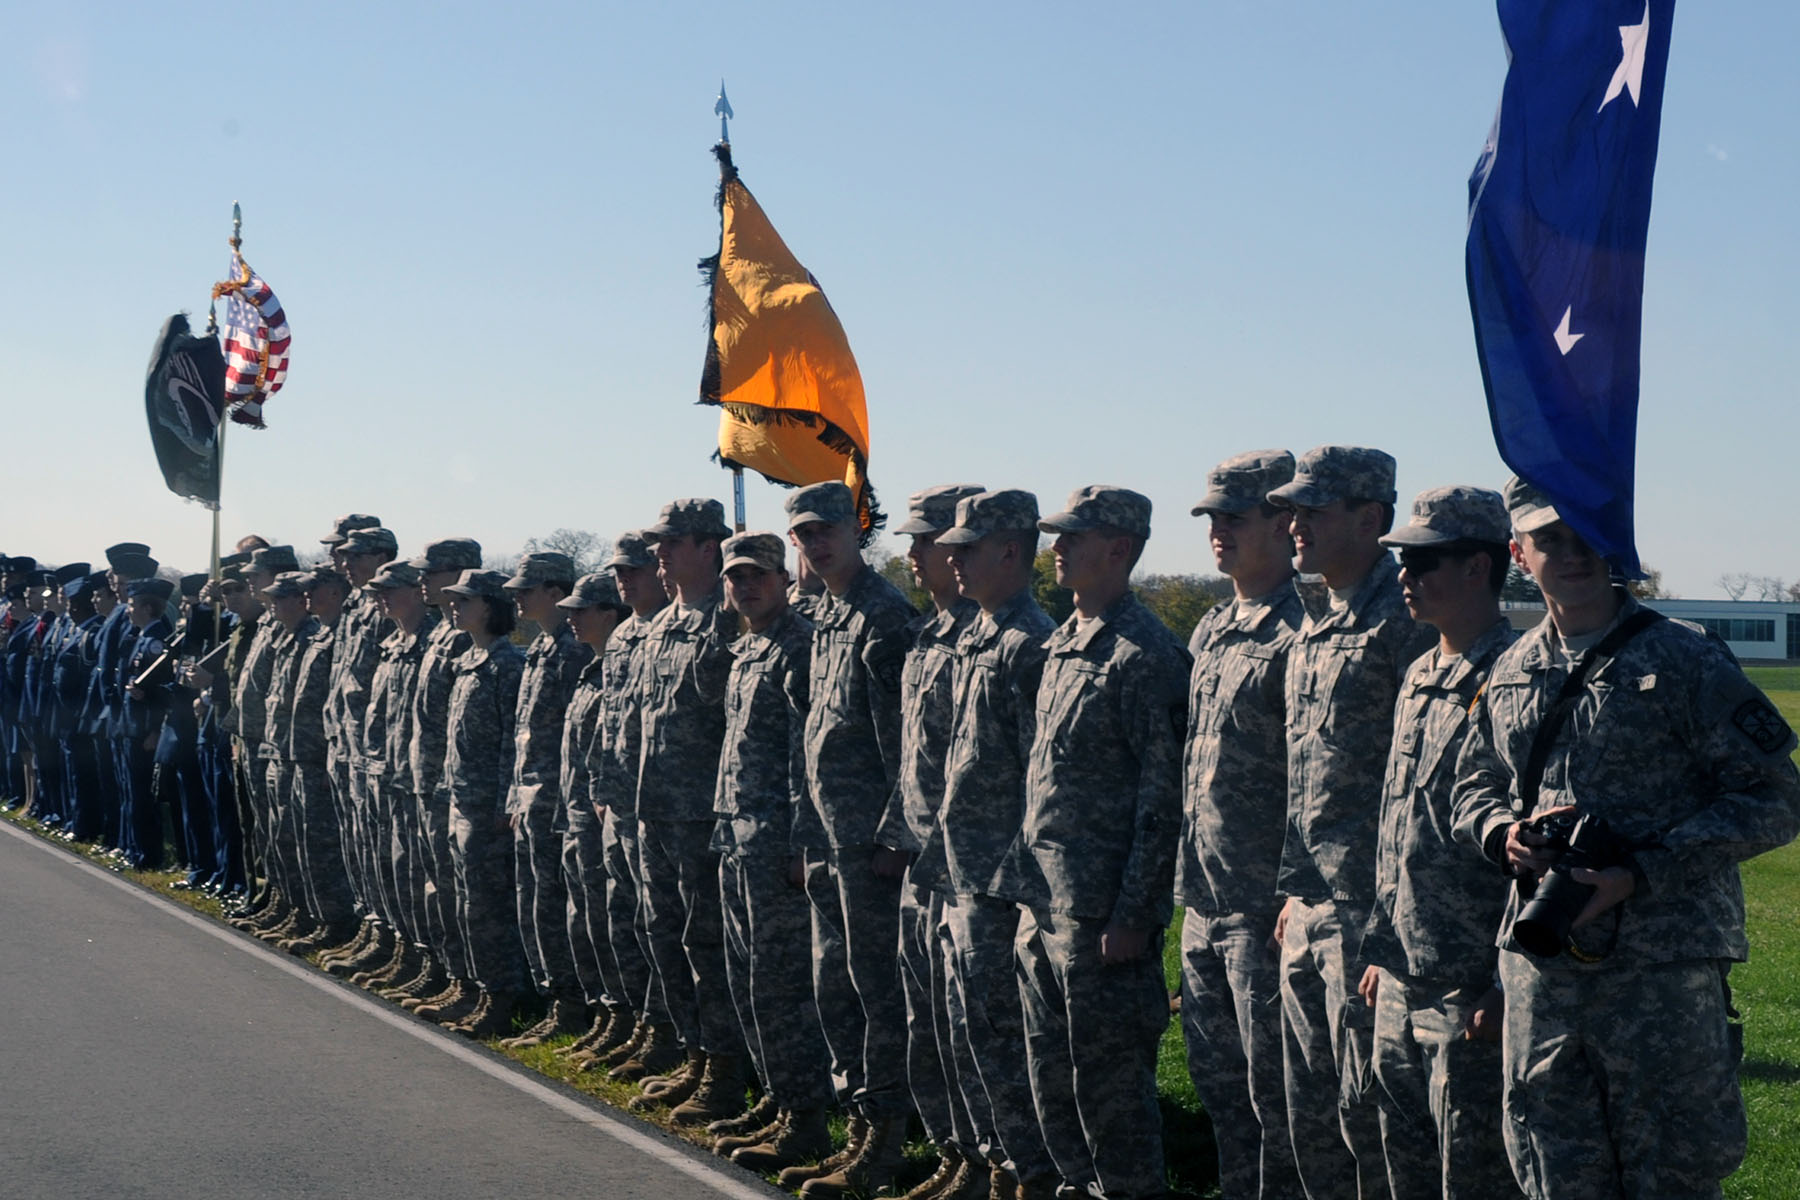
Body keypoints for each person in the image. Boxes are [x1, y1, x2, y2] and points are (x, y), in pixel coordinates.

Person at [1452, 478, 1800, 1199]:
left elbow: (1775, 795)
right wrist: (1505, 836)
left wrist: (1641, 871)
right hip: (1541, 971)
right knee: (1553, 1168)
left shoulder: (1682, 659)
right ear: (1519, 553)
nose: (1570, 556)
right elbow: (1470, 787)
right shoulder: (1510, 667)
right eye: (1550, 540)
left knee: (1672, 1172)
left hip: (1659, 971)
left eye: (1586, 539)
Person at [989, 485, 1190, 1200]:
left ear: (1120, 549)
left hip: (1101, 916)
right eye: (1056, 535)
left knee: (1111, 1101)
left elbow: (1163, 800)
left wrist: (1135, 912)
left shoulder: (1148, 656)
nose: (1058, 549)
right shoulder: (1063, 644)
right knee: (1053, 1083)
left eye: (1074, 537)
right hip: (1042, 902)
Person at [1268, 446, 1433, 1200]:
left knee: (1372, 1122)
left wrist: (1389, 929)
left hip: (1370, 922)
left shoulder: (1406, 626)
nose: (1292, 524)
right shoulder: (1315, 623)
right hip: (1308, 908)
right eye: (1291, 509)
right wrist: (1292, 895)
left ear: (1370, 519)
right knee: (1310, 1114)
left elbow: (1422, 794)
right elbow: (1307, 778)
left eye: (1312, 510)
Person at [1355, 487, 1520, 1200]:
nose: (1404, 578)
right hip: (1401, 973)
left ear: (1479, 567)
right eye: (1402, 561)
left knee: (1473, 1177)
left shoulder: (1517, 679)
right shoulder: (1420, 675)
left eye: (1423, 563)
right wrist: (1379, 945)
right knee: (1404, 1170)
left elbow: (1538, 848)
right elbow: (1398, 825)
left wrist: (1507, 983)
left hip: (1469, 986)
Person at [1176, 450, 1306, 1200]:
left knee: (1280, 1101)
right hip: (1204, 900)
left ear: (1285, 522)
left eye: (1237, 516)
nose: (1219, 531)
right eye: (1213, 517)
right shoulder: (1213, 628)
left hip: (1268, 908)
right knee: (1222, 1089)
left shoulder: (1305, 631)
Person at [783, 480, 918, 1199]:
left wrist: (894, 840)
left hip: (870, 852)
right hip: (830, 845)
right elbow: (815, 740)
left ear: (857, 528)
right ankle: (859, 1128)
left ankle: (885, 1144)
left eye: (828, 527)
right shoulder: (828, 616)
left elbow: (905, 747)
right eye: (803, 532)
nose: (816, 540)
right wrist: (808, 839)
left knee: (877, 996)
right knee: (837, 991)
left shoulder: (885, 618)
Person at [932, 488, 1060, 1199]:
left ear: (1010, 552)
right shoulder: (976, 636)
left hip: (1004, 885)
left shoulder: (1030, 643)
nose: (953, 562)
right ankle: (994, 1168)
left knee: (1009, 1046)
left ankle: (1029, 1177)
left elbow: (1039, 779)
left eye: (967, 549)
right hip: (962, 874)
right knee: (971, 1037)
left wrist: (1016, 886)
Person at [872, 483, 987, 1200]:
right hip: (921, 861)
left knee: (979, 1032)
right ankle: (955, 1152)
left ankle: (987, 1163)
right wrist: (894, 836)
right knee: (930, 1023)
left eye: (927, 542)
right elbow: (910, 758)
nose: (914, 555)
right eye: (912, 542)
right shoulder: (926, 637)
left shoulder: (1002, 639)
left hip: (973, 871)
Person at [709, 532, 835, 1171]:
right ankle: (780, 1099)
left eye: (757, 575)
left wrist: (799, 843)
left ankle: (807, 1119)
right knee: (750, 982)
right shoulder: (746, 648)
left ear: (785, 578)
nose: (745, 586)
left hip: (776, 844)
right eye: (734, 577)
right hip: (736, 836)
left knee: (783, 985)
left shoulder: (798, 649)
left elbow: (805, 758)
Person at [631, 498, 747, 1126]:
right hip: (655, 807)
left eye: (672, 542)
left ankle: (725, 1072)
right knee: (665, 938)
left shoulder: (728, 620)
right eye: (658, 542)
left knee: (707, 946)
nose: (660, 554)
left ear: (709, 547)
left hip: (704, 815)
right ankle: (695, 1054)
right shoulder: (657, 622)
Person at [595, 531, 680, 1081]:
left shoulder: (679, 628)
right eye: (618, 572)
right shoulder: (625, 635)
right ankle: (644, 1026)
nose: (625, 580)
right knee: (630, 922)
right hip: (624, 802)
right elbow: (613, 724)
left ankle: (672, 1036)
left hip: (669, 806)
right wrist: (604, 791)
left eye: (635, 569)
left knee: (670, 929)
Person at [499, 551, 593, 1049]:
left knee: (560, 907)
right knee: (535, 903)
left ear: (555, 592)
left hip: (560, 802)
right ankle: (557, 999)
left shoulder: (573, 651)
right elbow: (525, 733)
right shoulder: (543, 647)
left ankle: (574, 1006)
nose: (515, 598)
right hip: (532, 796)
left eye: (526, 591)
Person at [440, 568, 530, 1038]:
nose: (454, 606)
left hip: (486, 808)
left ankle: (501, 998)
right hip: (461, 799)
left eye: (465, 600)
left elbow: (511, 743)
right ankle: (474, 988)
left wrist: (502, 804)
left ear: (491, 607)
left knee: (489, 908)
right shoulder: (467, 659)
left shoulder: (507, 665)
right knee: (466, 905)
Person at [403, 537, 486, 1025]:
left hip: (454, 786)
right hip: (430, 780)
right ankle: (452, 974)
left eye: (431, 573)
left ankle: (470, 982)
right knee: (439, 888)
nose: (423, 582)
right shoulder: (442, 631)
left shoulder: (461, 635)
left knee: (460, 893)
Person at [551, 572, 634, 1060]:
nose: (572, 618)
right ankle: (607, 1014)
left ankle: (629, 1017)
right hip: (579, 814)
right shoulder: (589, 671)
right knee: (587, 921)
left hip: (605, 817)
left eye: (582, 610)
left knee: (613, 921)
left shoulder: (613, 672)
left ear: (608, 614)